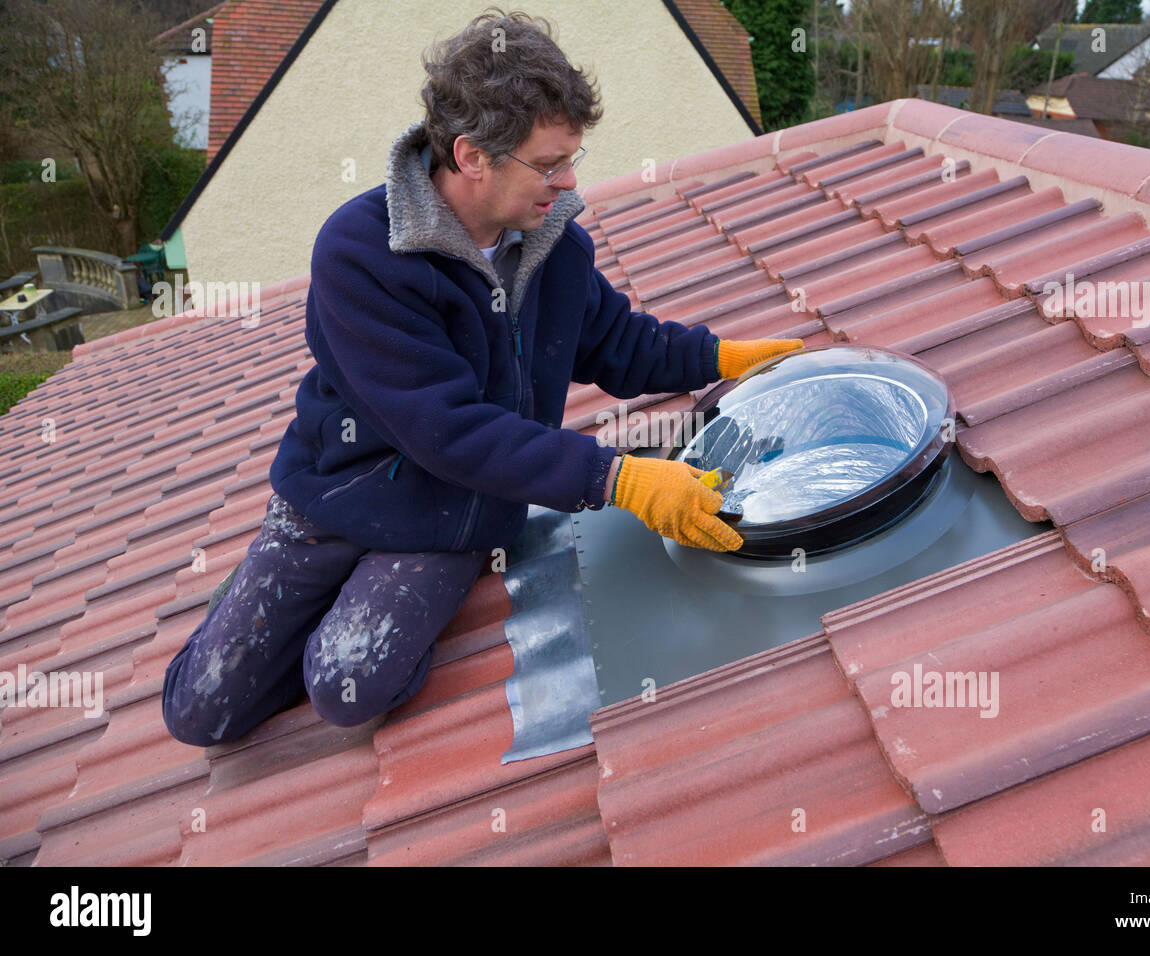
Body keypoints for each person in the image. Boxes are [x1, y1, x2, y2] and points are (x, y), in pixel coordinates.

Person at [160, 8, 801, 747]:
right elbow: (447, 429)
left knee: (347, 686)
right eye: (549, 162)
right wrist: (620, 481)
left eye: (573, 158)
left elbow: (617, 344)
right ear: (471, 156)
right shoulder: (361, 253)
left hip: (451, 519)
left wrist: (721, 359)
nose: (567, 183)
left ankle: (338, 621)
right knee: (198, 713)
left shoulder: (552, 244)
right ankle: (274, 603)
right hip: (334, 500)